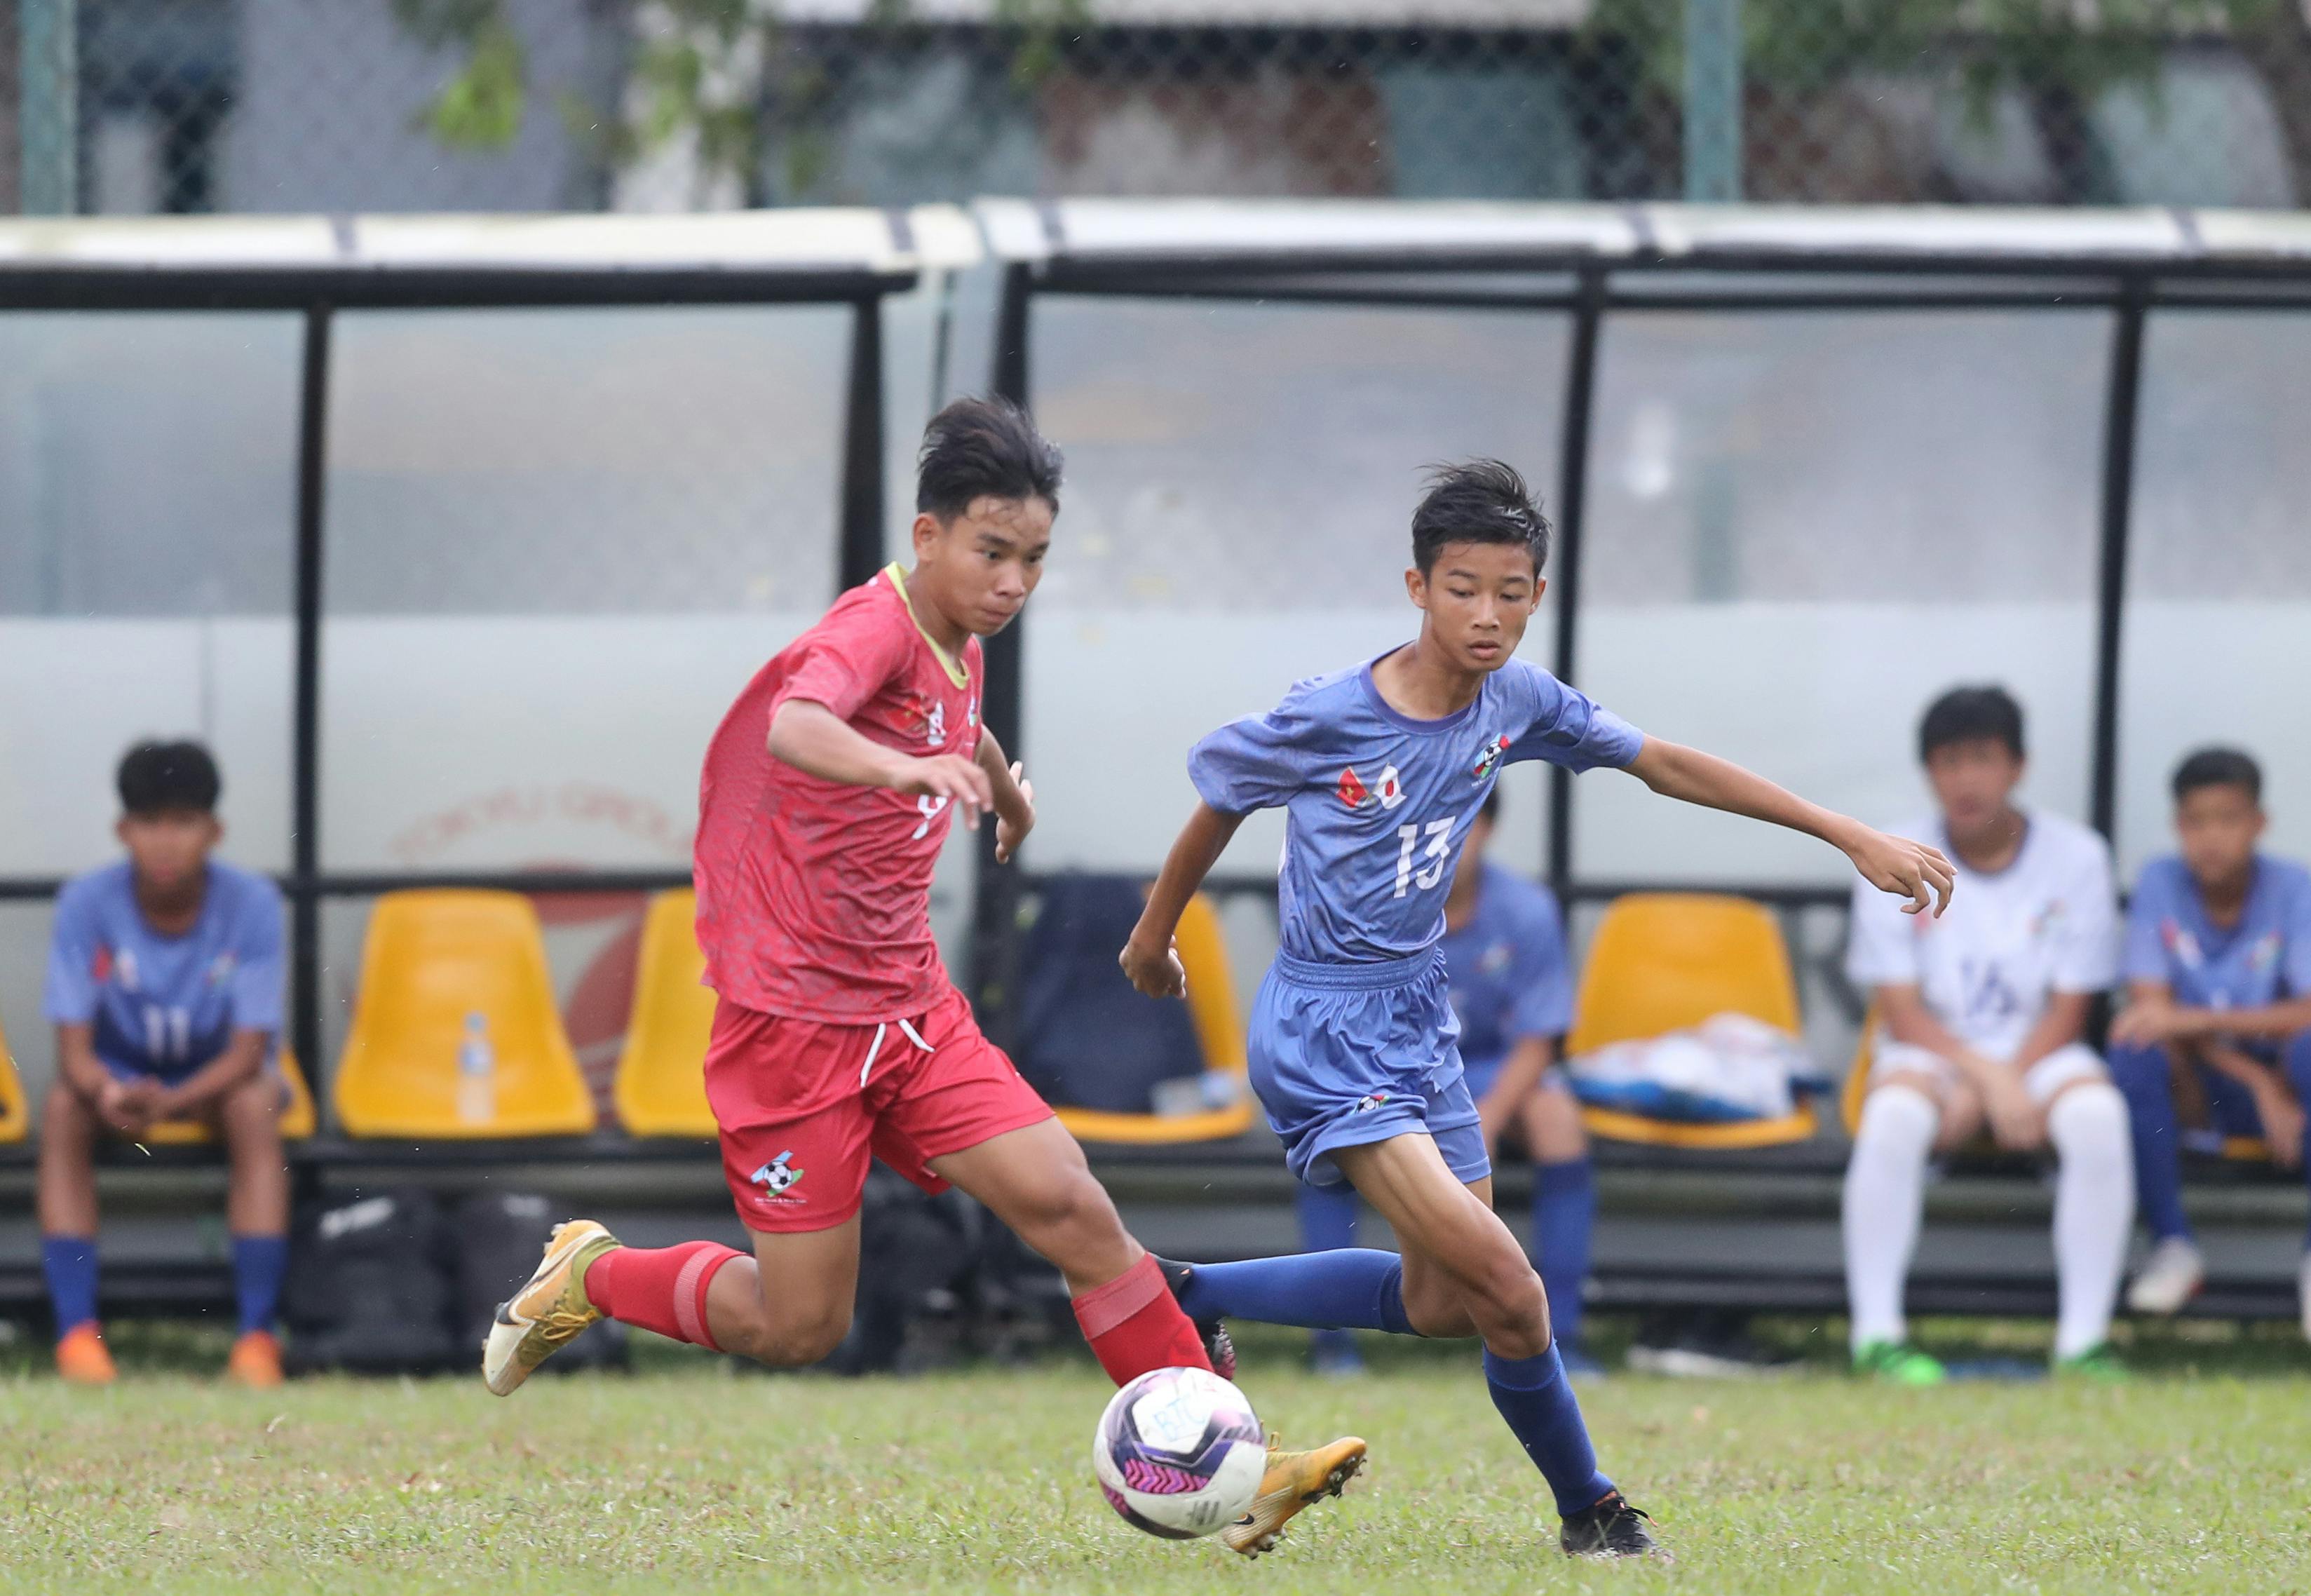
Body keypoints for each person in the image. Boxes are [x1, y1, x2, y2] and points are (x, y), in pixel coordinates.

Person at [480, 398, 1361, 1559]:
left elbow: (959, 716)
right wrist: (909, 770)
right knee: (798, 1324)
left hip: (910, 1012)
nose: (1011, 580)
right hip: (790, 1026)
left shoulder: (959, 632)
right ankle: (594, 1274)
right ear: (927, 535)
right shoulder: (871, 626)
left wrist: (1001, 783)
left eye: (1034, 559)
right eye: (991, 553)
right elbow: (798, 723)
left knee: (1071, 1206)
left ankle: (1240, 1474)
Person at [1118, 460, 1953, 1559]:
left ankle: (1190, 1292)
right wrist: (1152, 938)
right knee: (1510, 1285)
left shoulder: (1519, 700)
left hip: (1420, 1020)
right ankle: (1592, 1509)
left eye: (1511, 592)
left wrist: (1846, 832)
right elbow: (1216, 807)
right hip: (1324, 1031)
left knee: (1445, 1303)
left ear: (1538, 595)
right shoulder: (1327, 715)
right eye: (1464, 588)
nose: (1488, 615)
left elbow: (1664, 763)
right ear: (1416, 586)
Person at [1840, 686, 2132, 1386]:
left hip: (2042, 1052)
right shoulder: (1889, 852)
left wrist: (2006, 1077)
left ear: (2016, 766)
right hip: (1932, 1053)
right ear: (1927, 771)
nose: (1963, 778)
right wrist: (1980, 1077)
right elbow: (1900, 1011)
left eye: (1980, 758)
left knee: (2098, 1116)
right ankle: (1875, 1335)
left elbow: (2071, 1007)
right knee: (1891, 1116)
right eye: (1946, 761)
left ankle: (2082, 1341)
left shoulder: (2077, 856)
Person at [1295, 783, 1604, 1380]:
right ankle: (1332, 1343)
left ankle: (1563, 1331)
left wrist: (1483, 1115)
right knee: (1330, 1121)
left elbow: (1539, 1039)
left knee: (1557, 1120)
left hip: (1484, 1064)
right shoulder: (1370, 906)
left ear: (1484, 828)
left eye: (1459, 827)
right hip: (1384, 1064)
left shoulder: (1525, 909)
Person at [40, 740, 290, 1388]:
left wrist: (172, 1101)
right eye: (150, 822)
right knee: (64, 1105)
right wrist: (109, 1090)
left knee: (255, 1104)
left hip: (215, 1078)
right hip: (117, 1080)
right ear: (124, 830)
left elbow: (247, 1051)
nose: (166, 841)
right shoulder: (86, 902)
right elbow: (72, 1049)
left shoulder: (253, 903)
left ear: (214, 830)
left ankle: (257, 1337)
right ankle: (76, 1335)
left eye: (183, 822)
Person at [2110, 748, 2311, 1349]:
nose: (2212, 838)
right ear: (2178, 827)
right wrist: (2255, 1078)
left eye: (2229, 819)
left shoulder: (2291, 885)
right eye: (2197, 822)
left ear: (2259, 823)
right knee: (2134, 1047)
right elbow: (2150, 1017)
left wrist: (2202, 1028)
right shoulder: (2159, 881)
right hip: (2200, 1090)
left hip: (2283, 1105)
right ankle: (2172, 1245)